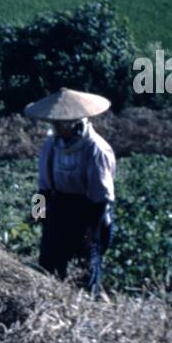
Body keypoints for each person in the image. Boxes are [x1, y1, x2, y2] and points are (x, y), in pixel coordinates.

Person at [24, 89, 116, 297]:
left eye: (59, 124)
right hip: (59, 209)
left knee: (84, 273)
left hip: (89, 213)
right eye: (53, 124)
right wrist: (38, 213)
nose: (55, 128)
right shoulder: (51, 145)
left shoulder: (95, 149)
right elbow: (44, 186)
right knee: (48, 266)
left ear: (73, 123)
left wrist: (91, 233)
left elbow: (100, 198)